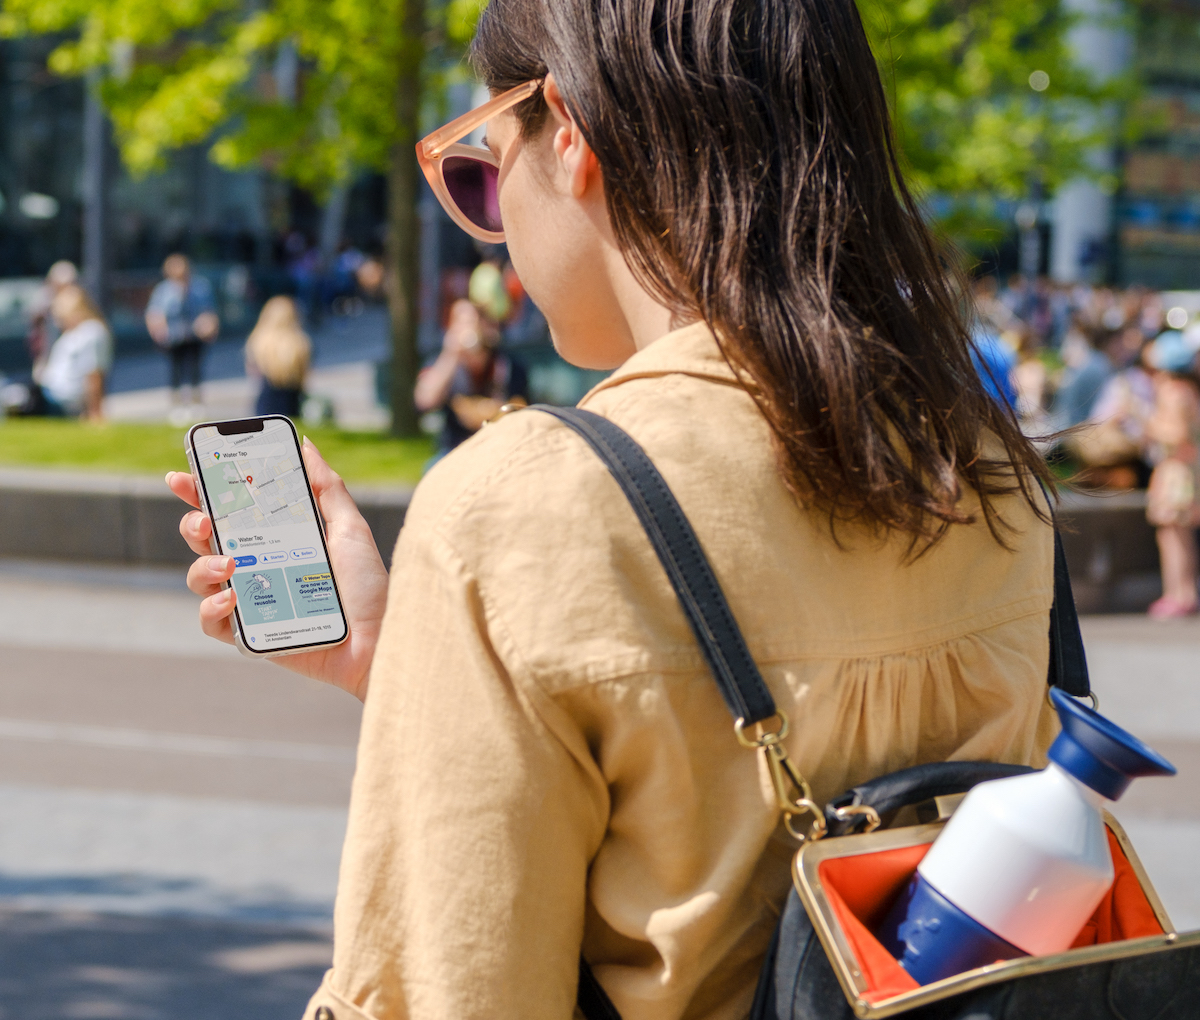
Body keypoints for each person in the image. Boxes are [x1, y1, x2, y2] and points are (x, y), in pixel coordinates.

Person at [167, 3, 1060, 1017]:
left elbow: (450, 990)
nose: (491, 221)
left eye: (482, 166)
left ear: (572, 133)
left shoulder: (527, 505)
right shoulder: (983, 465)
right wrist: (416, 668)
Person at [413, 297, 529, 456]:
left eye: (475, 321)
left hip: (498, 447)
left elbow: (521, 406)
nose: (471, 328)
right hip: (455, 449)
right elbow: (425, 401)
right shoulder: (443, 364)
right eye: (461, 322)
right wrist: (450, 355)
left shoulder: (506, 365)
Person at [1143, 330, 1200, 618]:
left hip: (1175, 471)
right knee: (1181, 535)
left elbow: (1176, 434)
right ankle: (1185, 593)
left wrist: (1149, 424)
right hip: (1186, 470)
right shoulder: (1189, 390)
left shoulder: (1172, 392)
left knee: (1172, 534)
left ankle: (1177, 594)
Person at [10, 285, 112, 419]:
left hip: (61, 399)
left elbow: (94, 376)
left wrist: (95, 414)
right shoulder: (75, 332)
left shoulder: (91, 332)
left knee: (15, 401)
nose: (58, 323)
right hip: (51, 393)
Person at [145, 253, 219, 412]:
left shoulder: (200, 286)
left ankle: (196, 401)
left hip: (195, 334)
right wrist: (158, 329)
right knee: (175, 369)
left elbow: (209, 310)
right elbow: (154, 312)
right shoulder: (163, 290)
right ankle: (177, 404)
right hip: (173, 336)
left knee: (195, 368)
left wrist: (208, 326)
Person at [244, 295, 312, 418]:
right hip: (291, 400)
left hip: (266, 400)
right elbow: (303, 378)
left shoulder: (258, 341)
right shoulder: (300, 343)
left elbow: (253, 373)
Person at [26, 260, 79, 366]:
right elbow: (33, 320)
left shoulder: (77, 299)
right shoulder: (45, 296)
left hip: (72, 356)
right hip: (47, 353)